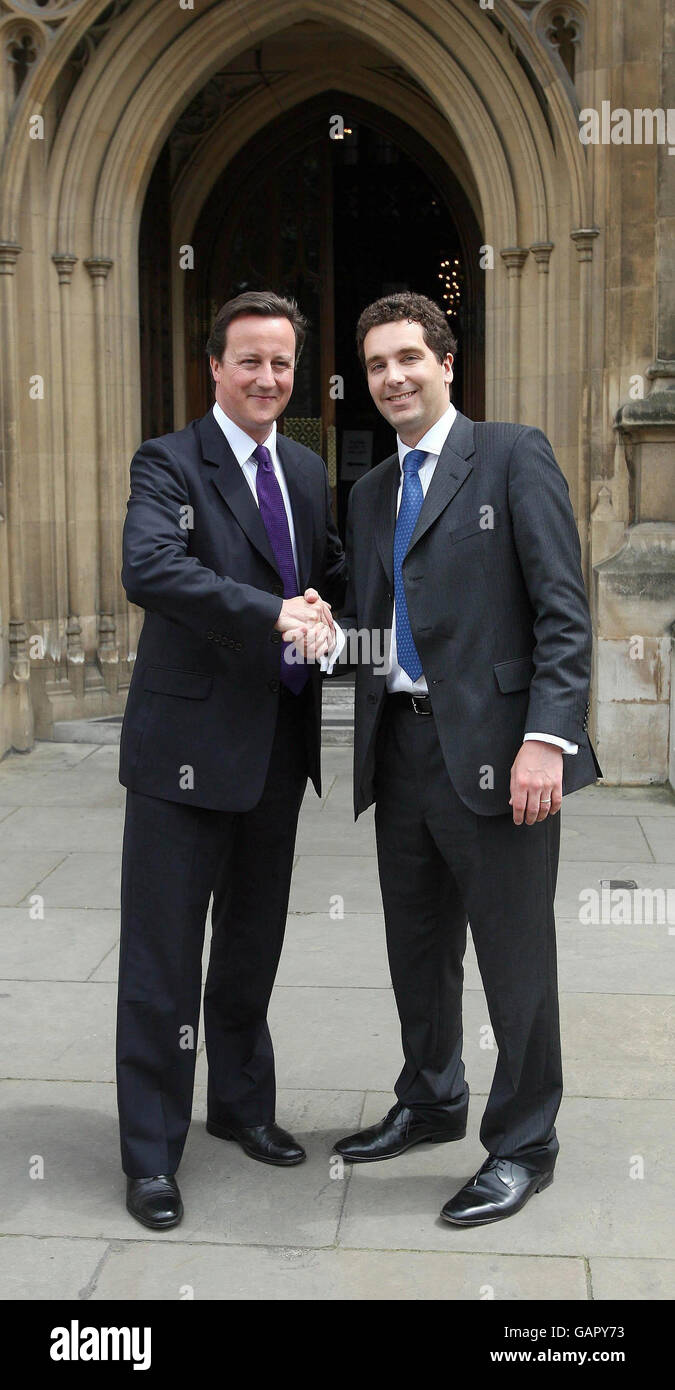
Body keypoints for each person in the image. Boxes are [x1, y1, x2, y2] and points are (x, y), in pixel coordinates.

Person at [326, 291, 602, 1227]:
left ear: (447, 364)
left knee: (513, 960)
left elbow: (562, 611)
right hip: (400, 749)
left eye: (408, 357)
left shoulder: (512, 455)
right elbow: (373, 626)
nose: (392, 377)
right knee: (416, 947)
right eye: (375, 365)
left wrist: (546, 740)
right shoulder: (371, 492)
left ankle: (523, 1143)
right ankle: (432, 1096)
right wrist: (326, 642)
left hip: (502, 752)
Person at [117, 291, 345, 1230]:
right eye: (249, 360)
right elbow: (152, 569)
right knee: (163, 962)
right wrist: (274, 614)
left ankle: (242, 1107)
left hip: (274, 752)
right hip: (181, 754)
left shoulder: (304, 466)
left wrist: (327, 615)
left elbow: (324, 570)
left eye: (281, 363)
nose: (266, 377)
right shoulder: (169, 462)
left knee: (251, 947)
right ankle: (150, 1156)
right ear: (214, 366)